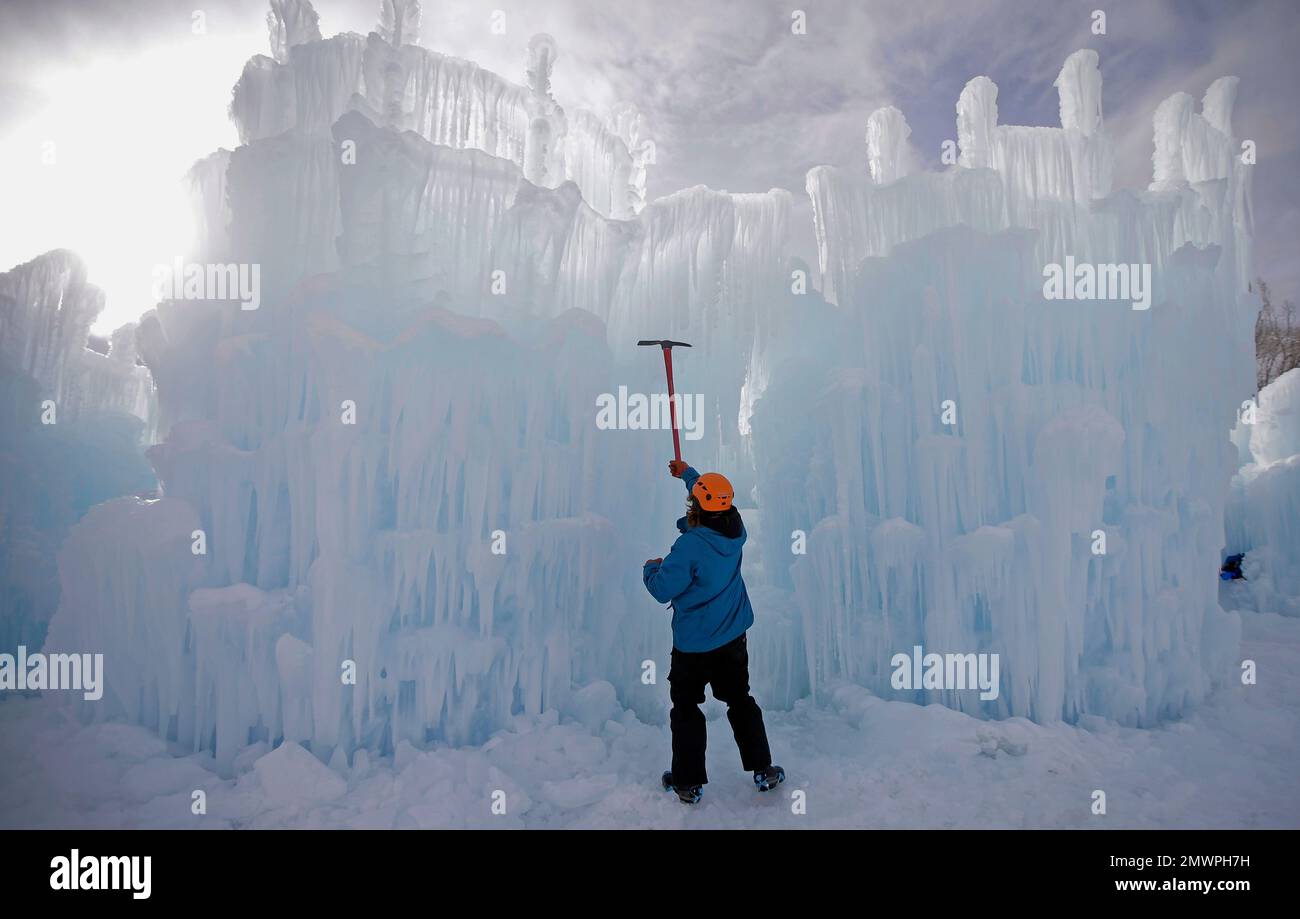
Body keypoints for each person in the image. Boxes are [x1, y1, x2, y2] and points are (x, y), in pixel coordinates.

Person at [643, 458, 784, 804]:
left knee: (687, 707)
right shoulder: (736, 532)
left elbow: (663, 589)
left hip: (694, 646)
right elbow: (709, 496)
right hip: (733, 638)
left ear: (697, 506)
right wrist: (688, 474)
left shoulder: (689, 546)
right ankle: (763, 769)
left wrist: (651, 568)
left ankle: (687, 782)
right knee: (740, 700)